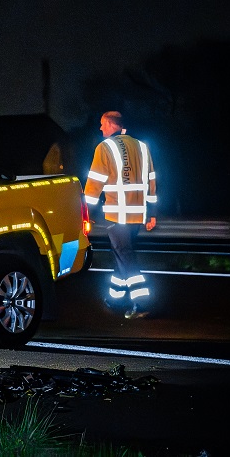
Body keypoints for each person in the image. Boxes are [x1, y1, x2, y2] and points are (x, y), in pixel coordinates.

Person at [83, 111, 158, 319]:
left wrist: (84, 212)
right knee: (120, 256)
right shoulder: (143, 147)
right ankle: (115, 300)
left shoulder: (104, 147)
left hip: (117, 215)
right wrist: (151, 213)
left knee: (125, 257)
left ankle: (142, 303)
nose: (100, 129)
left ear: (109, 124)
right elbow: (151, 181)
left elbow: (94, 183)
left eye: (102, 124)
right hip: (137, 215)